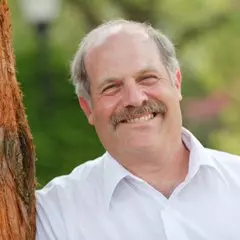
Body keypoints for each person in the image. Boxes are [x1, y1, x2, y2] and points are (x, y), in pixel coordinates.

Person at [36, 19, 240, 240]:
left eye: (147, 78)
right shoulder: (55, 215)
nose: (134, 99)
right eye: (111, 87)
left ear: (177, 83)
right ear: (88, 108)